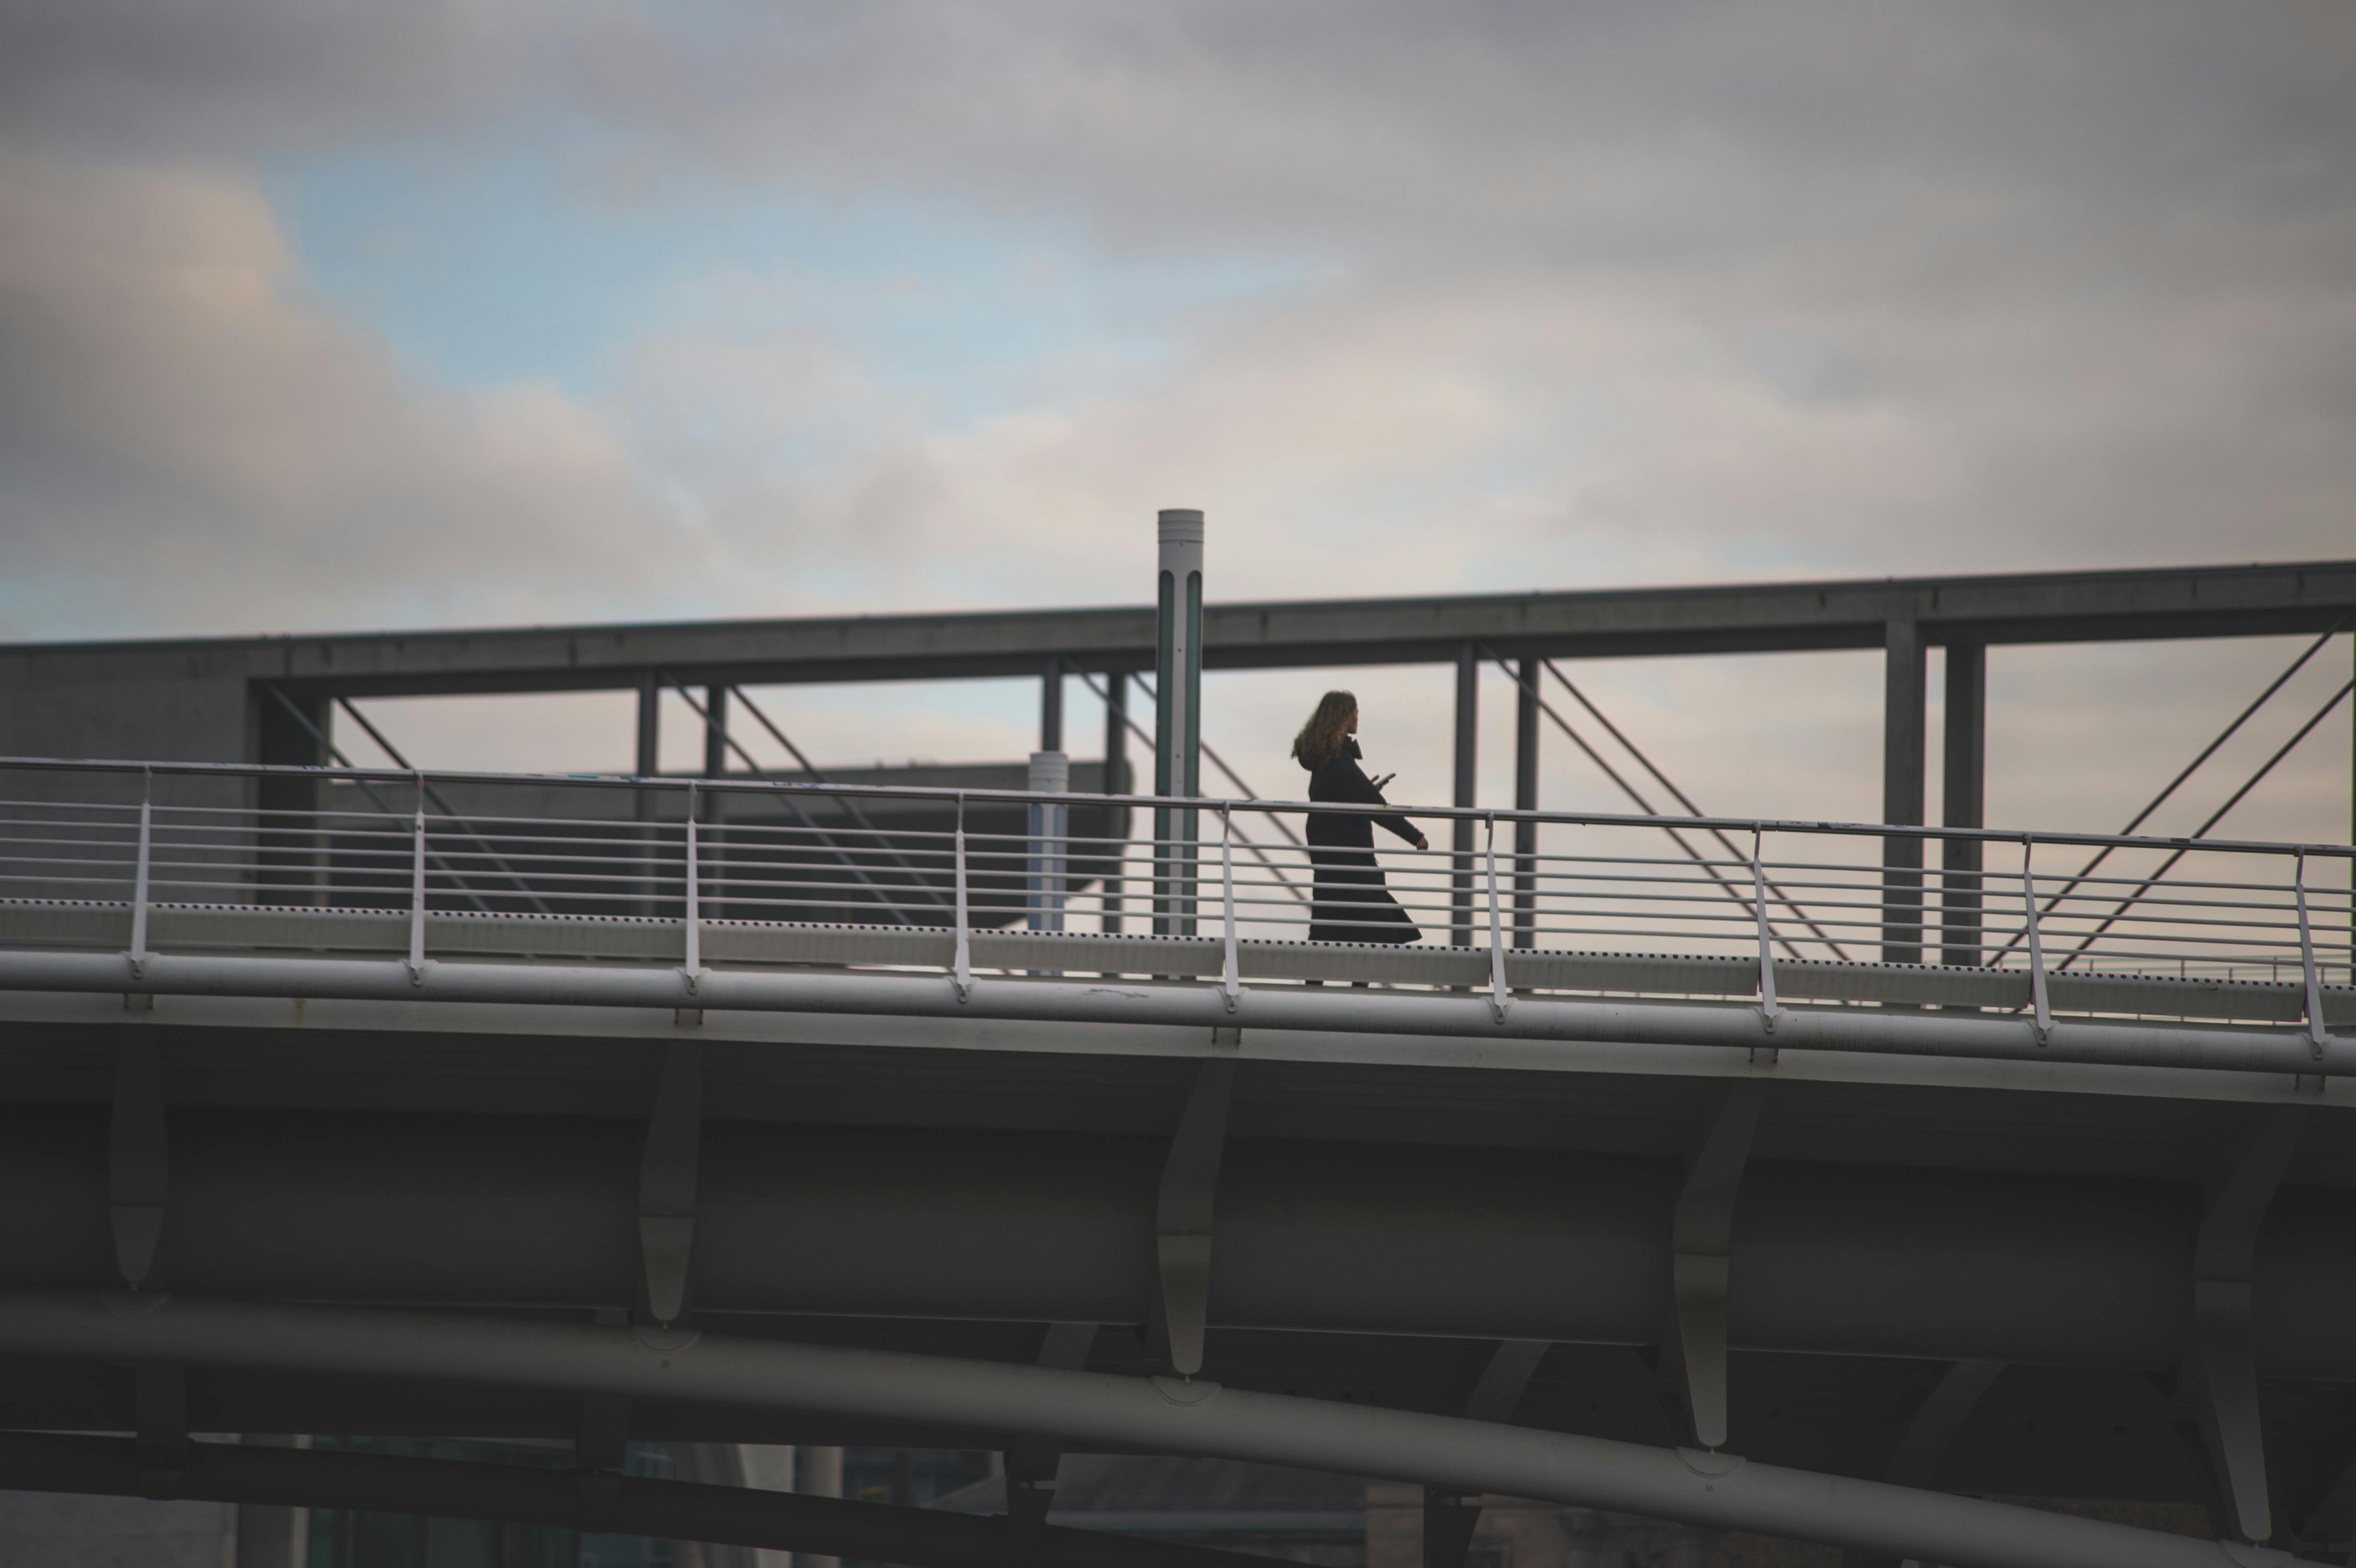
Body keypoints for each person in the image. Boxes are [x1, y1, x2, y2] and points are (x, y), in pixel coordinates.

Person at [1291, 691, 1427, 944]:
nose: (1357, 716)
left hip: (1331, 860)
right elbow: (1374, 806)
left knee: (1332, 929)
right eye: (1355, 711)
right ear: (1344, 716)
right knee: (1379, 931)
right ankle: (1345, 981)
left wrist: (1366, 793)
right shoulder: (1339, 762)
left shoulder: (1325, 762)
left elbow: (1353, 796)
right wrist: (1414, 835)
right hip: (1351, 862)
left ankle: (1316, 980)